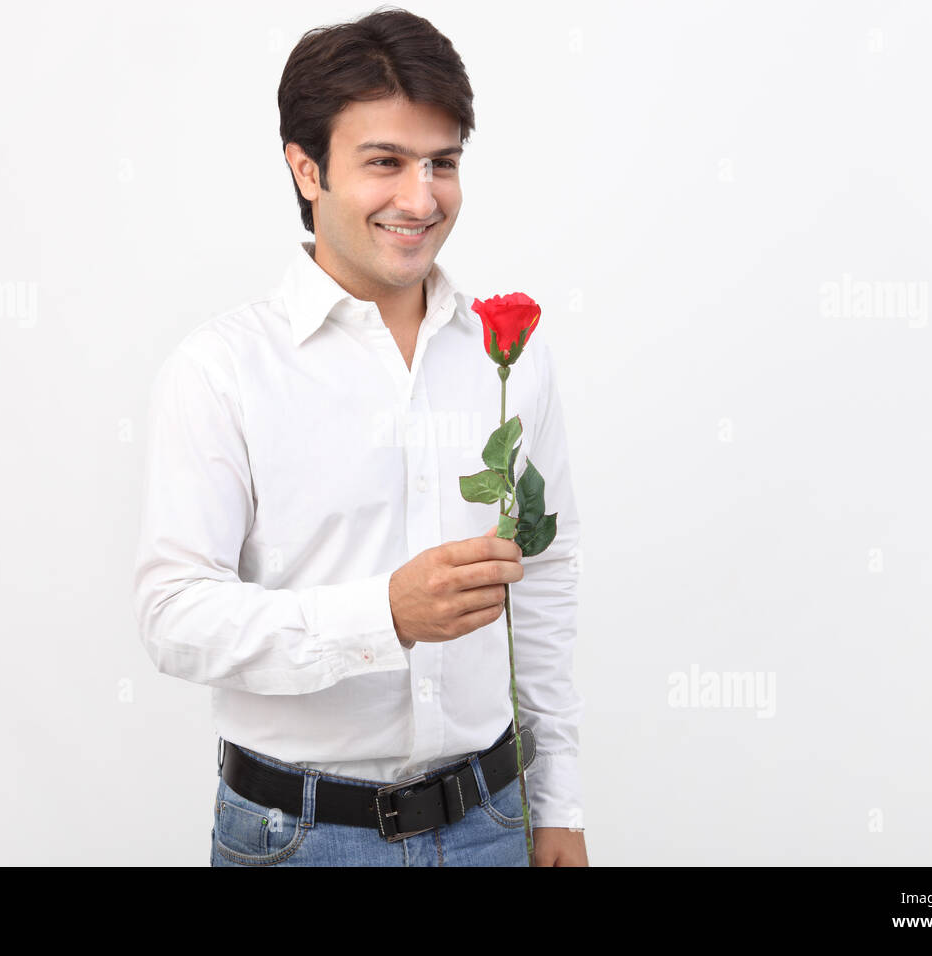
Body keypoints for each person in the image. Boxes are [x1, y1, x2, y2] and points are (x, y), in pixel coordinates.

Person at [132, 6, 586, 866]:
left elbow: (547, 575)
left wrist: (556, 801)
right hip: (300, 838)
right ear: (307, 169)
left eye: (442, 163)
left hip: (494, 819)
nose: (421, 199)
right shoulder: (221, 370)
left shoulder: (511, 357)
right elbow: (173, 615)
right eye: (385, 162)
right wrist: (383, 615)